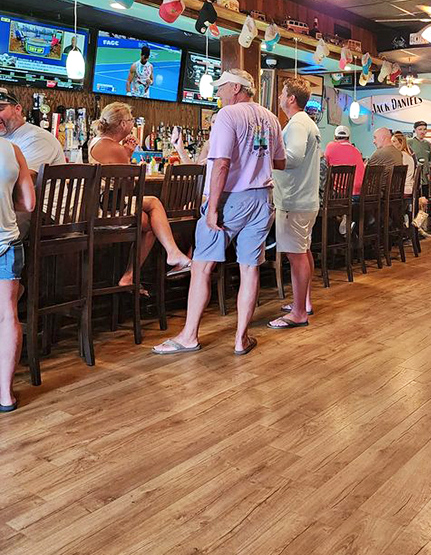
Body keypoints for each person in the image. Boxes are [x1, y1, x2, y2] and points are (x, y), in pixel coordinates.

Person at [153, 69, 285, 357]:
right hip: (262, 199)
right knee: (249, 268)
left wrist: (212, 208)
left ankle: (189, 336)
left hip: (230, 200)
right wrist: (254, 161)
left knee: (202, 266)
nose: (218, 93)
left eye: (222, 87)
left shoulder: (228, 115)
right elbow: (280, 162)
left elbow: (222, 164)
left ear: (236, 88)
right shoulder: (271, 118)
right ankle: (241, 339)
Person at [89, 102, 192, 291]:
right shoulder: (115, 148)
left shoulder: (96, 142)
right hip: (108, 208)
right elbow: (129, 188)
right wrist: (127, 155)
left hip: (101, 204)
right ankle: (171, 254)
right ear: (122, 124)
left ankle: (130, 276)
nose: (133, 124)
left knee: (152, 224)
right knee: (154, 203)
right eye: (131, 120)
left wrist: (126, 154)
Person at [269, 78, 320, 329]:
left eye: (282, 93)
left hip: (294, 199)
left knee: (296, 255)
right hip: (305, 198)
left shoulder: (298, 123)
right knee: (303, 251)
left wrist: (265, 158)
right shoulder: (306, 122)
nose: (280, 96)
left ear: (291, 98)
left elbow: (294, 157)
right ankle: (304, 302)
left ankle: (299, 313)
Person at [0, 137, 35, 412]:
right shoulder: (12, 149)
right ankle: (6, 396)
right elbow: (29, 203)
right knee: (8, 314)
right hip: (7, 242)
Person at [0, 88, 65, 179]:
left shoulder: (38, 139)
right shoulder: (5, 139)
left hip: (37, 189)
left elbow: (25, 178)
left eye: (0, 109)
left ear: (17, 109)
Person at [324, 125, 364, 195]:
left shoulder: (330, 146)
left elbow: (325, 164)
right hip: (359, 193)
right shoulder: (357, 151)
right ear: (348, 138)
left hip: (341, 194)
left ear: (334, 137)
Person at [407, 121, 431, 192]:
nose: (422, 131)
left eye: (424, 129)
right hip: (413, 175)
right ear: (415, 130)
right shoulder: (410, 142)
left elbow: (430, 159)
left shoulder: (428, 144)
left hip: (425, 176)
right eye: (420, 129)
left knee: (425, 194)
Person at [391, 131, 416, 196]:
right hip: (408, 185)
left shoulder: (402, 155)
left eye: (394, 141)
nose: (391, 144)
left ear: (401, 143)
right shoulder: (406, 154)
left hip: (404, 187)